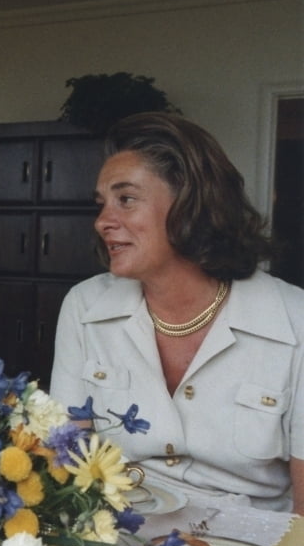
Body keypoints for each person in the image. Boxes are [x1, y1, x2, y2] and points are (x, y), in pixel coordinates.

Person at [50, 112, 304, 514]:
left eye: (126, 200)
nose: (102, 222)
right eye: (102, 205)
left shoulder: (294, 321)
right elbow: (66, 462)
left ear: (191, 205)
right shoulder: (84, 307)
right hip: (120, 535)